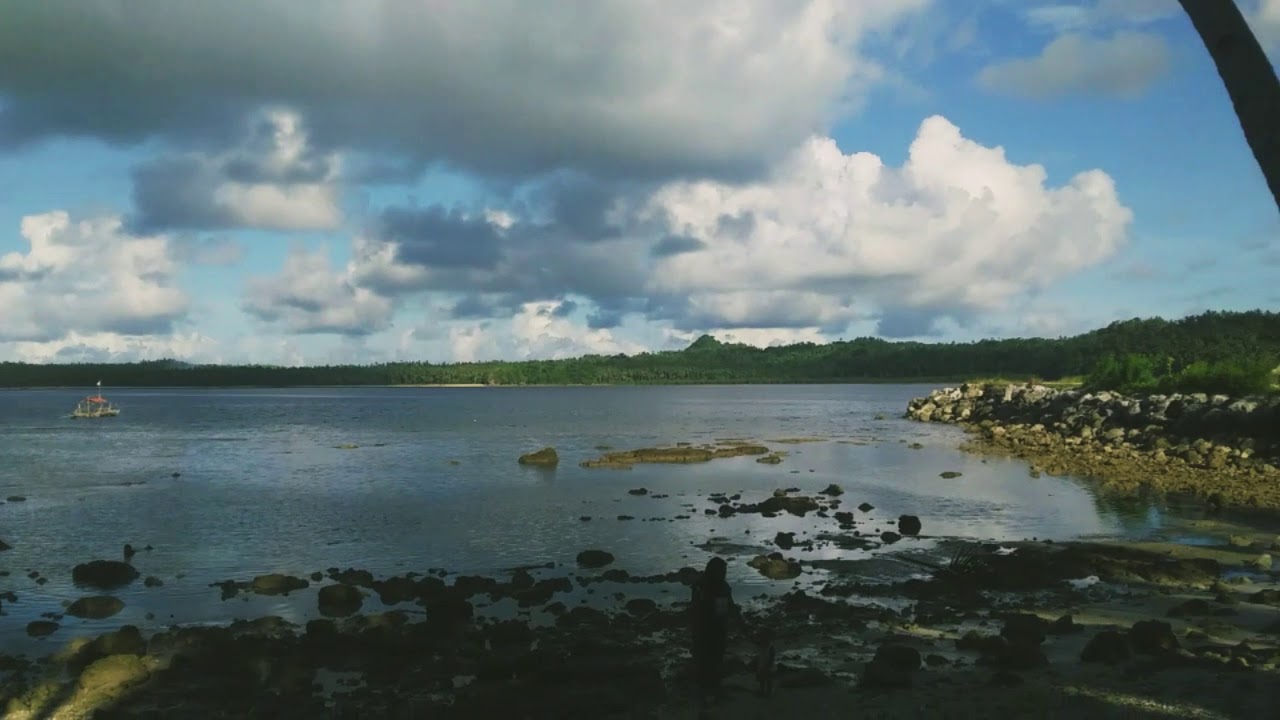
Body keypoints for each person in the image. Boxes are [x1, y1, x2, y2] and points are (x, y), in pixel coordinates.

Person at [689, 556, 736, 702]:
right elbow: (697, 610)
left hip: (714, 628)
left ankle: (712, 691)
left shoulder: (719, 587)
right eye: (722, 571)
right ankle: (707, 692)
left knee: (713, 660)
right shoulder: (704, 587)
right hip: (707, 629)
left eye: (724, 571)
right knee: (707, 661)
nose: (724, 574)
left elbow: (730, 607)